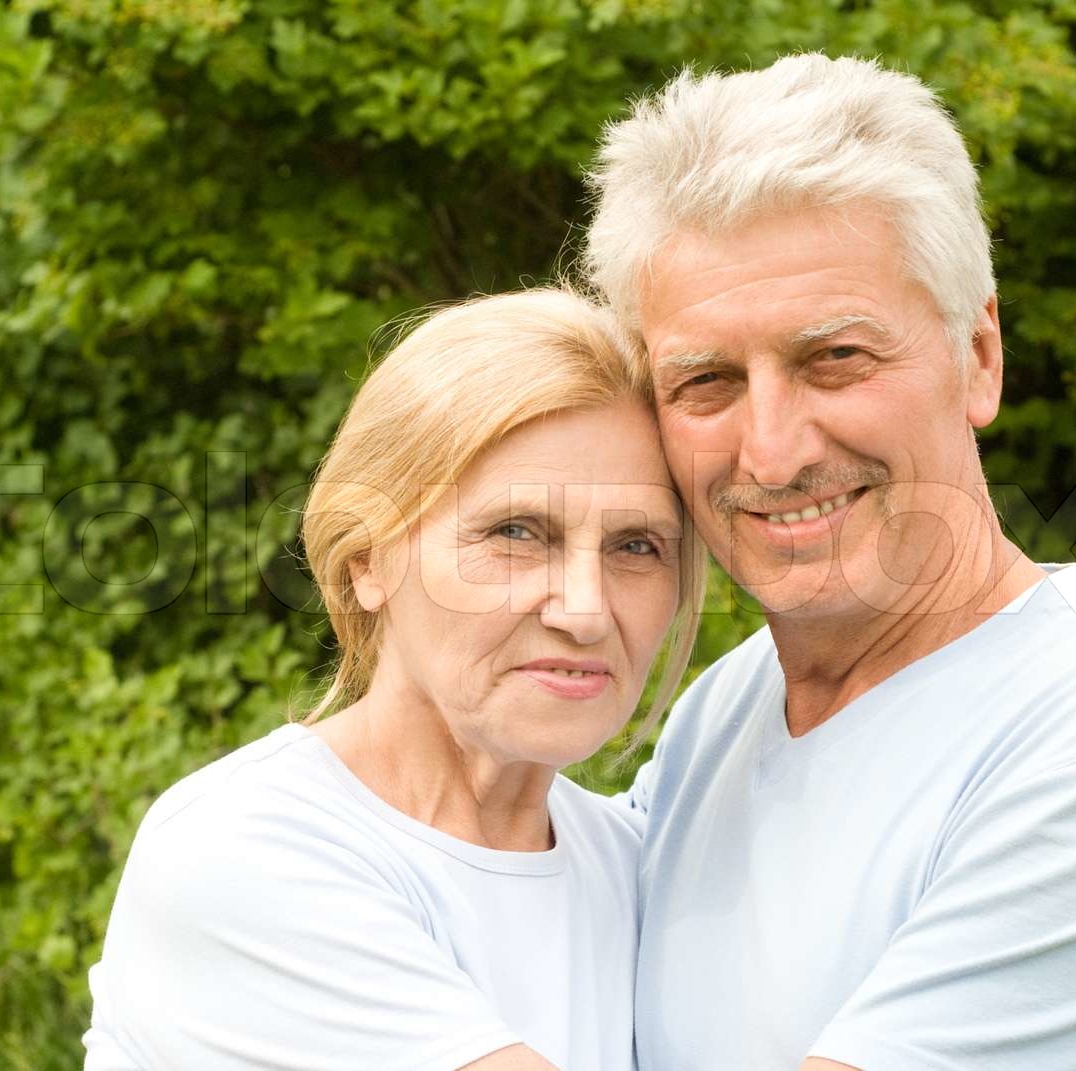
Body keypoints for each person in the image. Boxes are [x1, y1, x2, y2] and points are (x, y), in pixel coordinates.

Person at [583, 54, 1076, 1069]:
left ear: (978, 357)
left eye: (836, 358)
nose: (772, 453)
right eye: (707, 380)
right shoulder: (724, 712)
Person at [81, 288, 705, 1070]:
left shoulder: (632, 867)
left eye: (638, 545)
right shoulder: (245, 852)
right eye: (515, 532)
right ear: (367, 561)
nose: (586, 611)